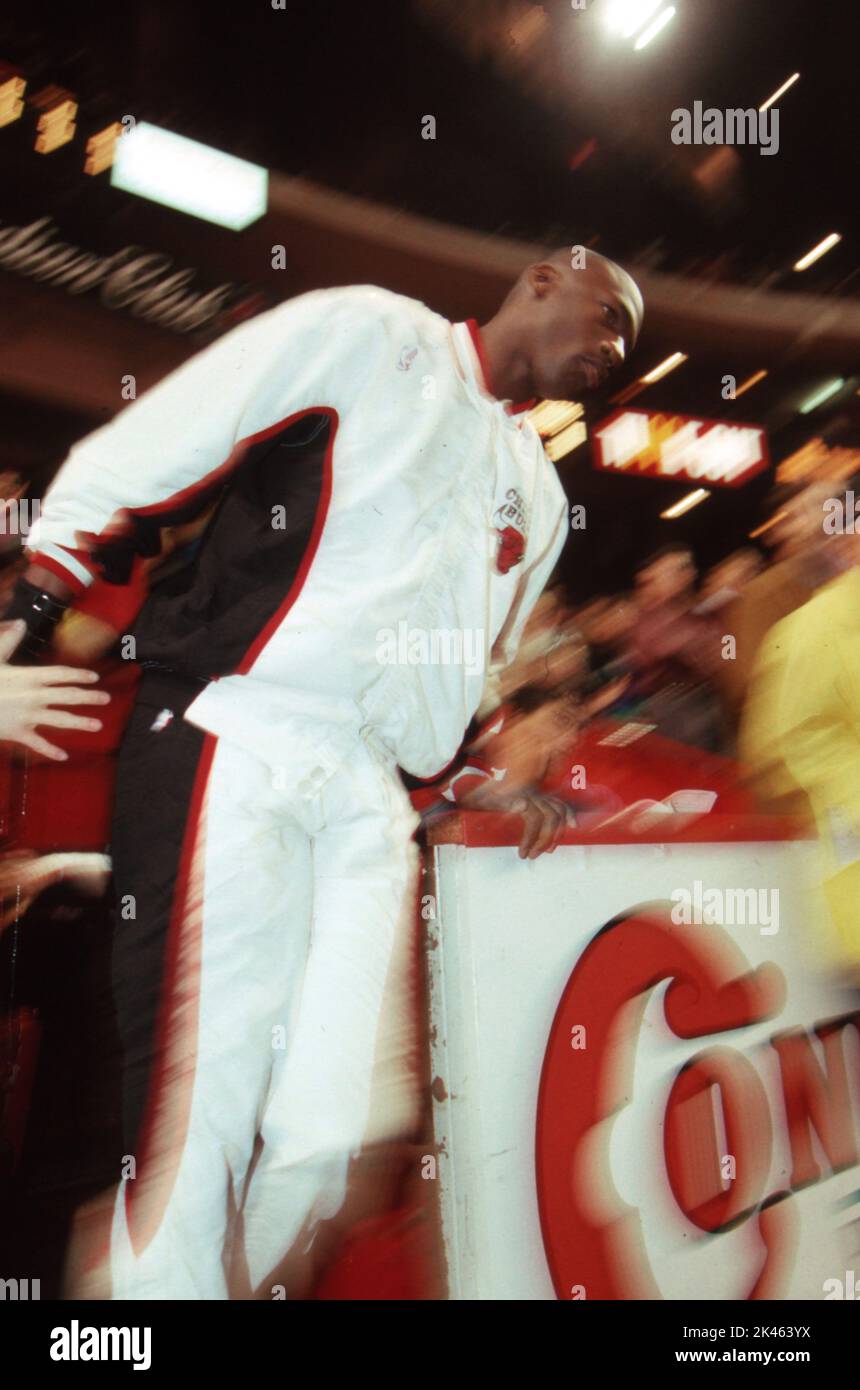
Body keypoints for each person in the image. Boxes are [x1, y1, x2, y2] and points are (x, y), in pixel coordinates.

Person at [9, 247, 644, 1298]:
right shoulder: (367, 331)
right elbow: (174, 434)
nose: (614, 353)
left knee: (335, 1121)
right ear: (539, 280)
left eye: (627, 343)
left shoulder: (535, 492)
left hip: (368, 797)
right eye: (609, 317)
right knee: (200, 1102)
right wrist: (33, 597)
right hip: (239, 730)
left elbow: (461, 671)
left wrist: (467, 780)